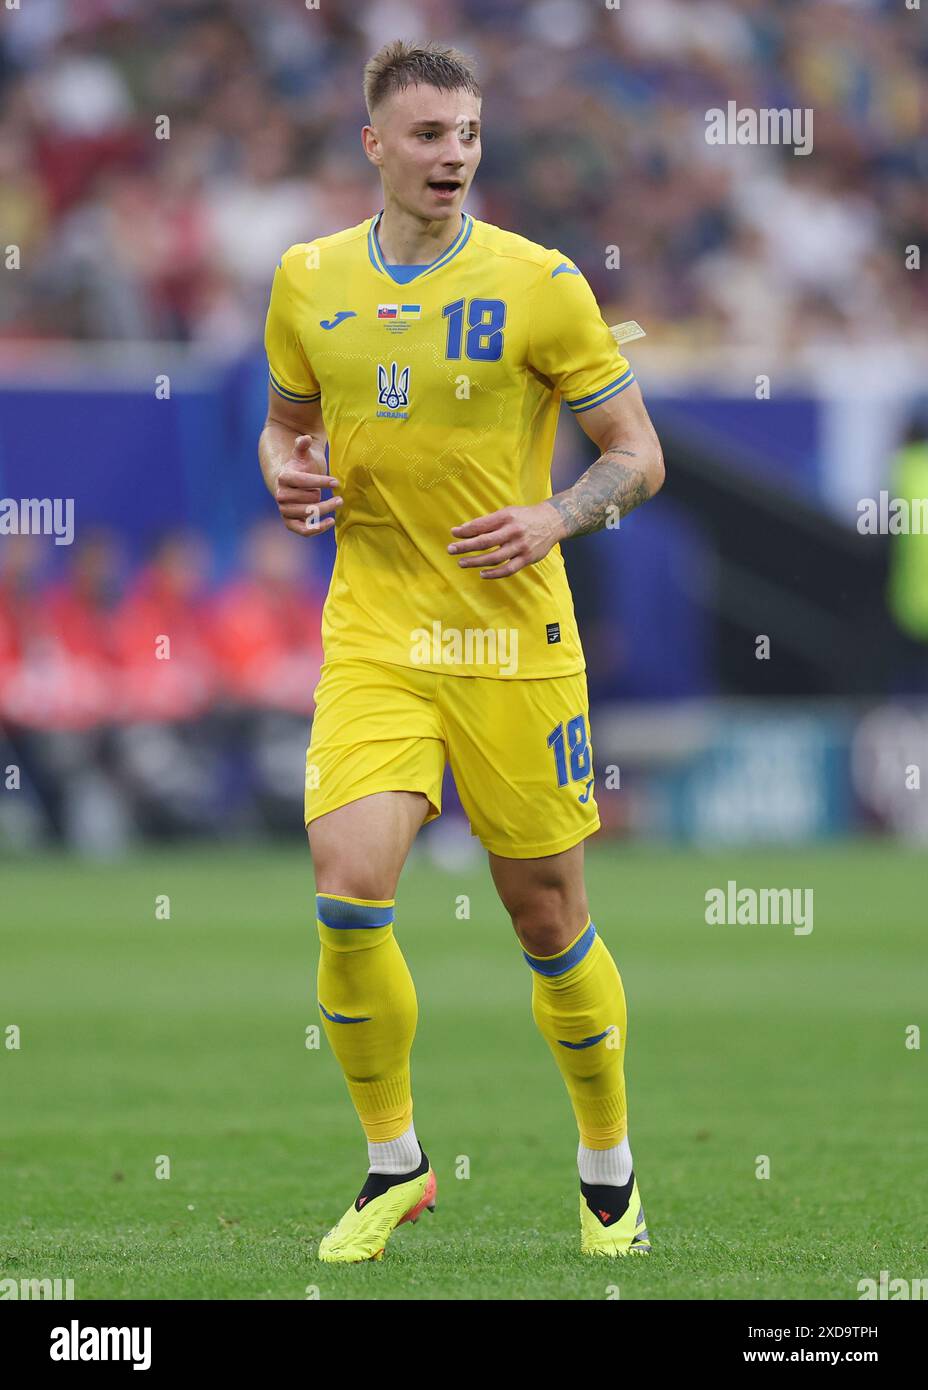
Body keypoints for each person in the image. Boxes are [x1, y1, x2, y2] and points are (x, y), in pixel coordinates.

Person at [258, 40, 664, 1263]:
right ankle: (396, 1163)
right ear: (374, 145)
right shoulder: (306, 279)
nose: (453, 156)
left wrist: (555, 513)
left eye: (467, 135)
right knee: (347, 884)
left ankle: (607, 1175)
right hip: (377, 633)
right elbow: (283, 432)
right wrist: (287, 475)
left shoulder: (539, 283)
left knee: (545, 916)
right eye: (428, 135)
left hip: (513, 644)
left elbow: (635, 454)